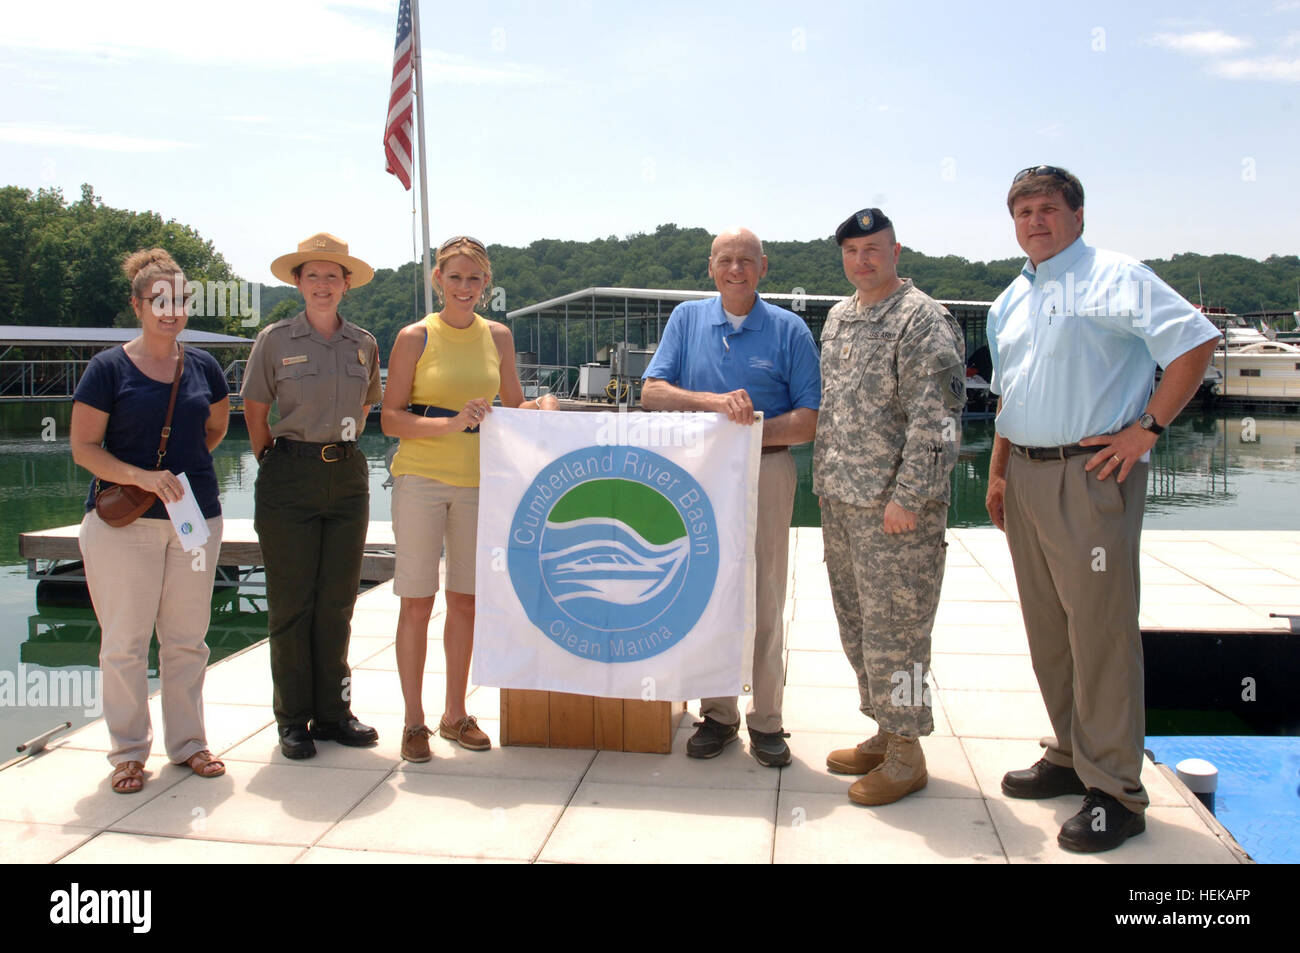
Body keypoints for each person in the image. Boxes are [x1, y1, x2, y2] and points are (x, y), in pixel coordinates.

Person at [985, 166, 1219, 851]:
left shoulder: (1116, 276)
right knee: (1050, 630)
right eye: (1023, 210)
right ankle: (1069, 752)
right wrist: (997, 474)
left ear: (1077, 215)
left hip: (1089, 475)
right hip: (1025, 477)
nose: (1035, 220)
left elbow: (1194, 341)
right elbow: (1007, 397)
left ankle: (1115, 789)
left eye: (1047, 208)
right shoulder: (1010, 300)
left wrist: (1147, 427)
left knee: (1102, 634)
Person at [641, 226, 820, 767]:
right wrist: (714, 406)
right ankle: (718, 714)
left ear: (763, 268)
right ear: (711, 267)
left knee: (765, 595)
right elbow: (652, 393)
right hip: (701, 477)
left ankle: (767, 720)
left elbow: (808, 420)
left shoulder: (790, 330)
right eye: (726, 260)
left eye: (746, 260)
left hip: (766, 472)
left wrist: (748, 433)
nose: (736, 269)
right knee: (708, 590)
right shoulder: (686, 320)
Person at [382, 235, 557, 763]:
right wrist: (453, 422)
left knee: (466, 602)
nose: (464, 287)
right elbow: (390, 419)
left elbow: (513, 405)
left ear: (487, 284)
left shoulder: (498, 336)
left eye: (474, 279)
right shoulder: (415, 336)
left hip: (482, 484)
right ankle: (414, 721)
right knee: (417, 603)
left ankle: (454, 714)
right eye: (454, 277)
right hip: (420, 480)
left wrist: (543, 405)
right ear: (438, 280)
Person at [814, 209, 966, 805]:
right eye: (852, 251)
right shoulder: (839, 317)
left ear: (896, 251)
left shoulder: (923, 319)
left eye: (873, 249)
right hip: (843, 502)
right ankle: (885, 728)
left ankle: (908, 753)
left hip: (896, 513)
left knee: (899, 635)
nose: (862, 261)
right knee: (859, 627)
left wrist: (911, 497)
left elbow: (937, 420)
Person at [71, 248, 230, 793]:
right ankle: (128, 754)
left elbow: (212, 431)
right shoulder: (107, 368)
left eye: (181, 299)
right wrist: (142, 478)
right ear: (138, 304)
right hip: (123, 526)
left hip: (195, 519)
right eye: (159, 300)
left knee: (188, 640)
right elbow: (84, 449)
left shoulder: (205, 366)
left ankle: (188, 745)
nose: (171, 310)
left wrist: (178, 480)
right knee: (125, 644)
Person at [242, 233, 383, 760]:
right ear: (298, 283)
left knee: (338, 604)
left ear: (346, 285)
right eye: (313, 276)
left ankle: (334, 713)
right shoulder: (275, 340)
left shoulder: (364, 343)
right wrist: (275, 464)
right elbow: (256, 412)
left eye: (333, 276)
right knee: (291, 606)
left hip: (346, 476)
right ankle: (293, 720)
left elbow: (368, 407)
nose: (323, 285)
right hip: (289, 477)